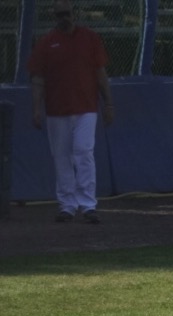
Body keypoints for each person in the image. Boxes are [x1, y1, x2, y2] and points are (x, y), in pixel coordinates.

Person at [27, 0, 114, 225]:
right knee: (61, 157)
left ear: (74, 14)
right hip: (57, 110)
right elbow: (38, 79)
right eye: (60, 15)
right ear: (54, 17)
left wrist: (108, 103)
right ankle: (67, 205)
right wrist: (37, 108)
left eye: (67, 13)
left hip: (85, 107)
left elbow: (100, 73)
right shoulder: (46, 43)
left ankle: (87, 204)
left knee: (84, 151)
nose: (64, 18)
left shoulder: (89, 38)